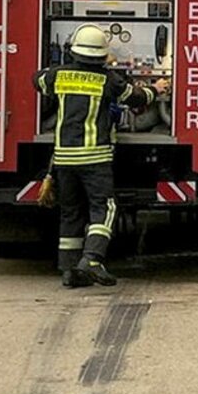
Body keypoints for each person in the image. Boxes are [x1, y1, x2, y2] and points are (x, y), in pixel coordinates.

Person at [36, 24, 155, 288]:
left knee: (71, 212)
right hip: (95, 158)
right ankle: (92, 258)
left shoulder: (59, 76)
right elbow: (137, 98)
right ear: (102, 55)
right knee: (104, 207)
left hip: (64, 159)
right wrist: (156, 88)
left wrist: (54, 69)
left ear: (74, 51)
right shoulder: (108, 79)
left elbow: (38, 80)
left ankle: (69, 271)